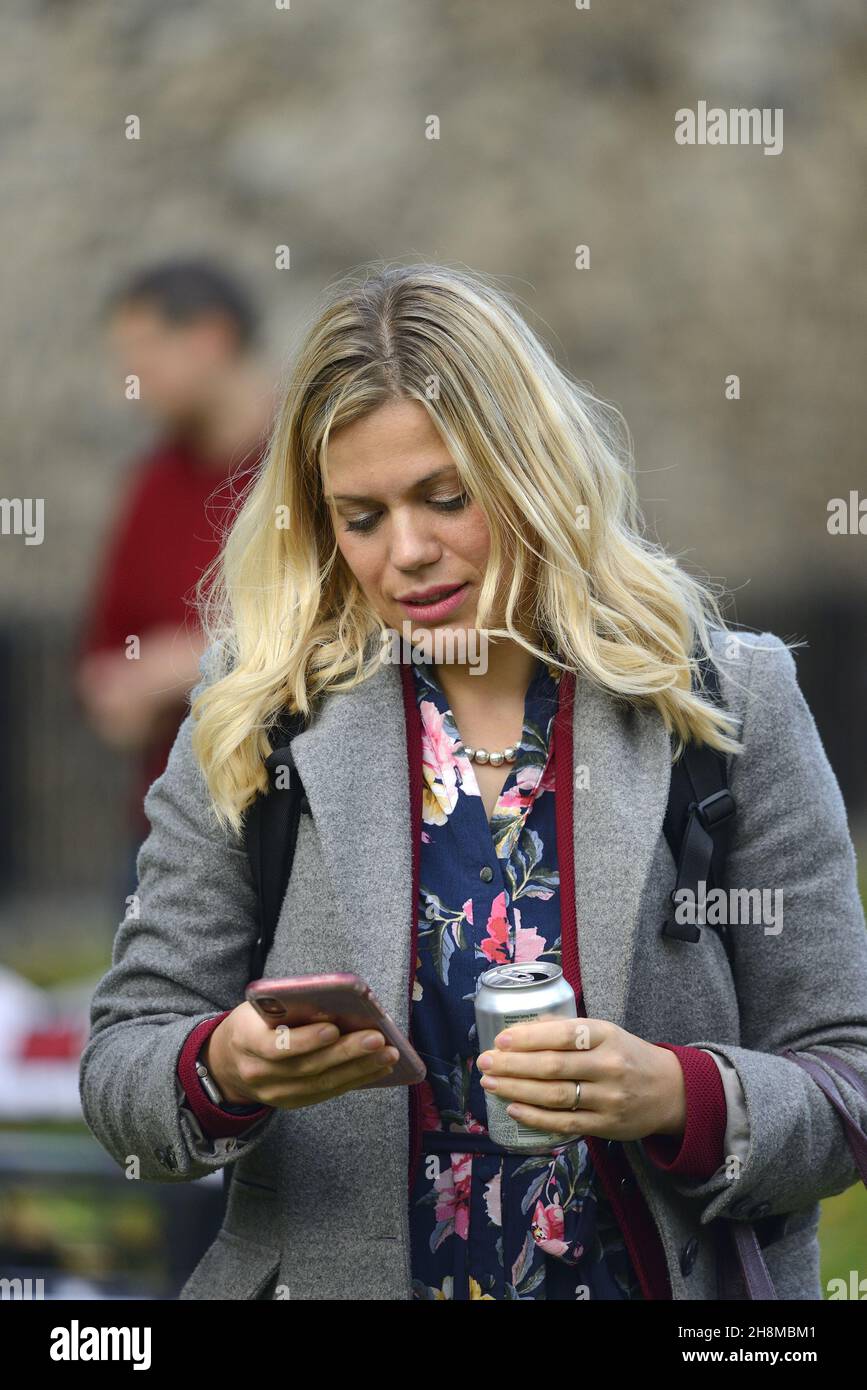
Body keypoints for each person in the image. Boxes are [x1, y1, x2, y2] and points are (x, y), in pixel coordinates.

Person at [79, 261, 867, 1301]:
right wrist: (223, 1068)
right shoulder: (258, 713)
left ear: (531, 467)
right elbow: (121, 1069)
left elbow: (845, 1086)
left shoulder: (729, 697)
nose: (407, 551)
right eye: (361, 517)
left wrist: (675, 1091)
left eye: (445, 498)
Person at [73, 259, 275, 907]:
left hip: (287, 813)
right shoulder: (153, 485)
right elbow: (103, 658)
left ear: (209, 338)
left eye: (141, 356)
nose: (127, 383)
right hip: (168, 824)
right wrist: (129, 686)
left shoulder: (313, 464)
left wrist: (193, 659)